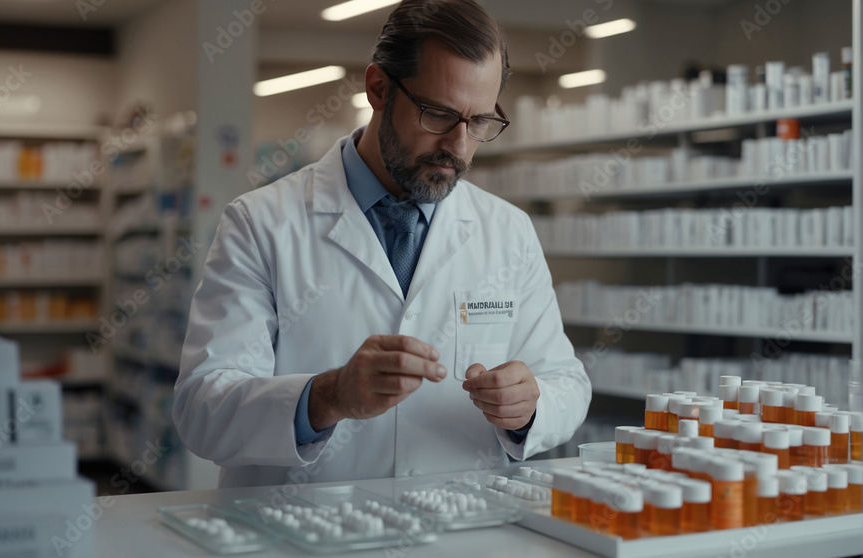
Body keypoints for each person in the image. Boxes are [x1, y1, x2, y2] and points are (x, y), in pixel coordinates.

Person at [173, 0, 591, 488]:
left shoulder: (508, 230)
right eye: (438, 114)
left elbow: (567, 382)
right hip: (299, 542)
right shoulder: (260, 223)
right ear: (378, 88)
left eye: (480, 123)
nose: (458, 147)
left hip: (457, 534)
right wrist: (325, 397)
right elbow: (202, 409)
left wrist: (530, 406)